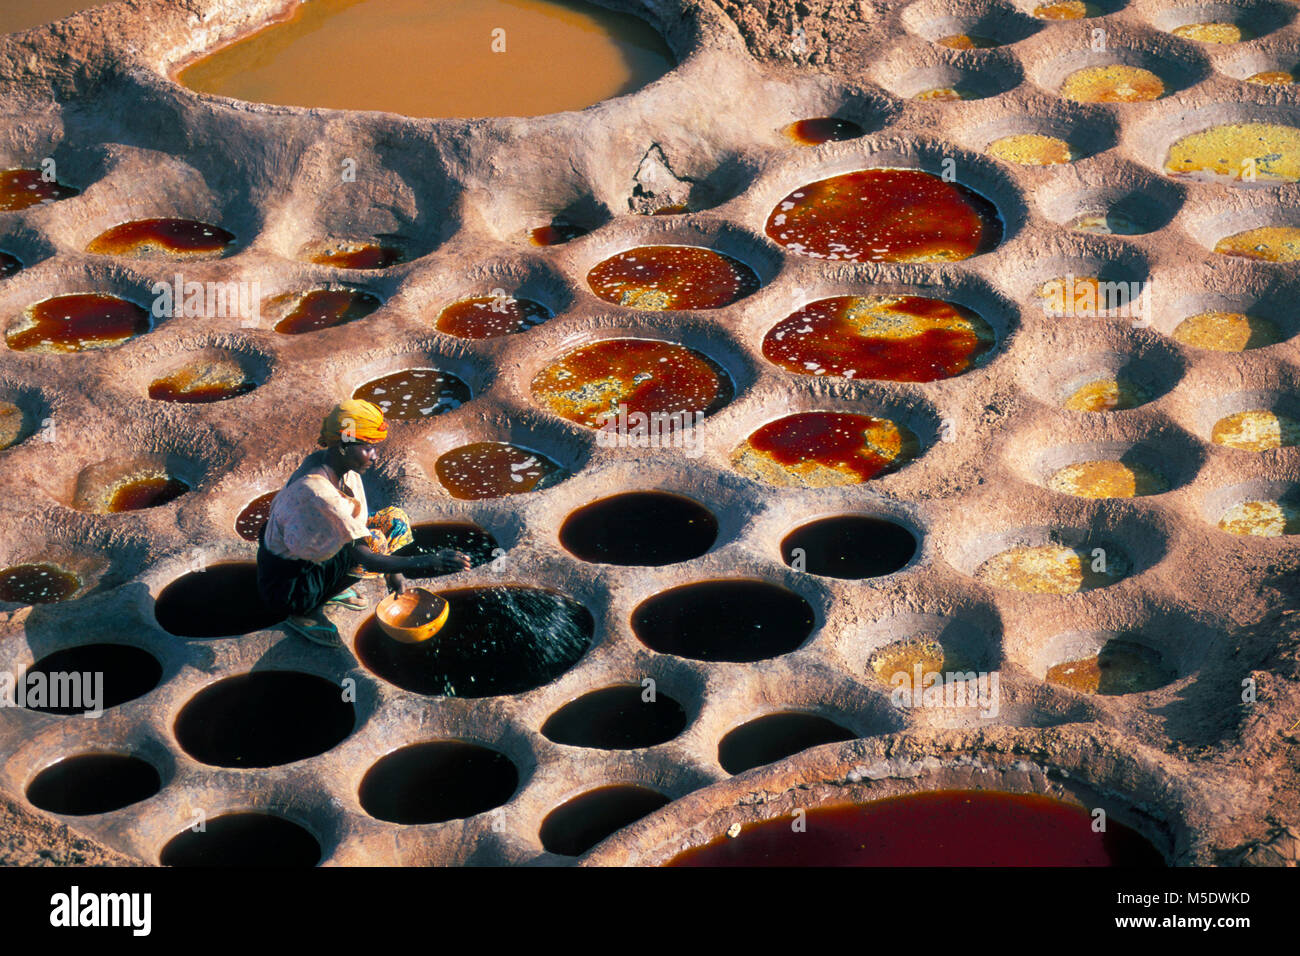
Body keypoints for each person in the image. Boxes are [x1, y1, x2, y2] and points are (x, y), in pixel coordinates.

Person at [256, 399, 470, 646]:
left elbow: (356, 528)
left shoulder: (331, 465)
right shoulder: (318, 493)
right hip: (287, 587)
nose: (374, 456)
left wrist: (394, 574)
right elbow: (365, 556)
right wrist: (431, 561)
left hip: (305, 563)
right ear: (344, 446)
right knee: (374, 544)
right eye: (367, 448)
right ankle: (303, 613)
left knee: (393, 520)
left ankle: (331, 587)